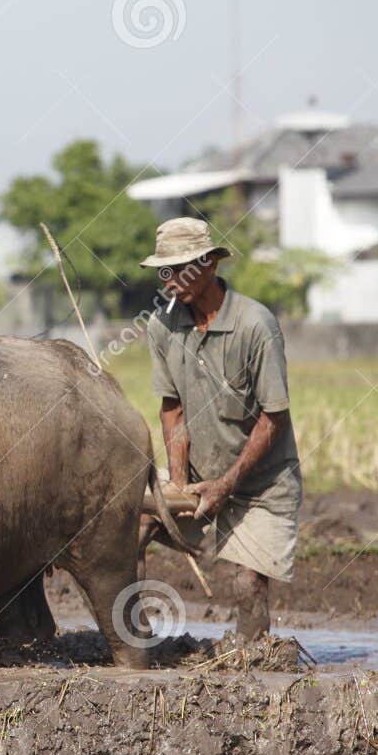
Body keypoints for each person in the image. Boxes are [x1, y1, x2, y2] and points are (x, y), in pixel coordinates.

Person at [142, 217, 301, 641]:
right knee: (129, 524)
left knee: (247, 584)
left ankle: (249, 662)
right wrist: (177, 486)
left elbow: (274, 417)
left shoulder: (256, 325)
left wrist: (226, 484)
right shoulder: (162, 326)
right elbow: (172, 410)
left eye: (181, 268)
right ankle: (131, 640)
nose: (171, 280)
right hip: (197, 477)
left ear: (210, 263)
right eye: (165, 271)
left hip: (259, 484)